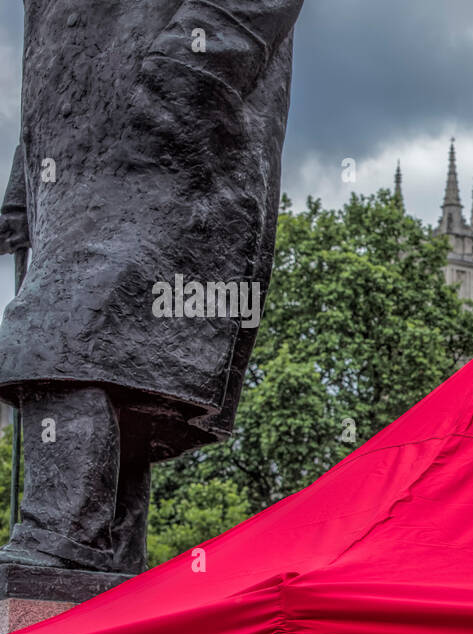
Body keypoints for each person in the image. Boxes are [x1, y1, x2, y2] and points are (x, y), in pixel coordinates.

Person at [0, 0, 303, 574]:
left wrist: (193, 65)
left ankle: (57, 538)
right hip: (81, 161)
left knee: (72, 329)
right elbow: (57, 65)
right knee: (114, 359)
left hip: (174, 133)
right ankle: (100, 557)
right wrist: (24, 187)